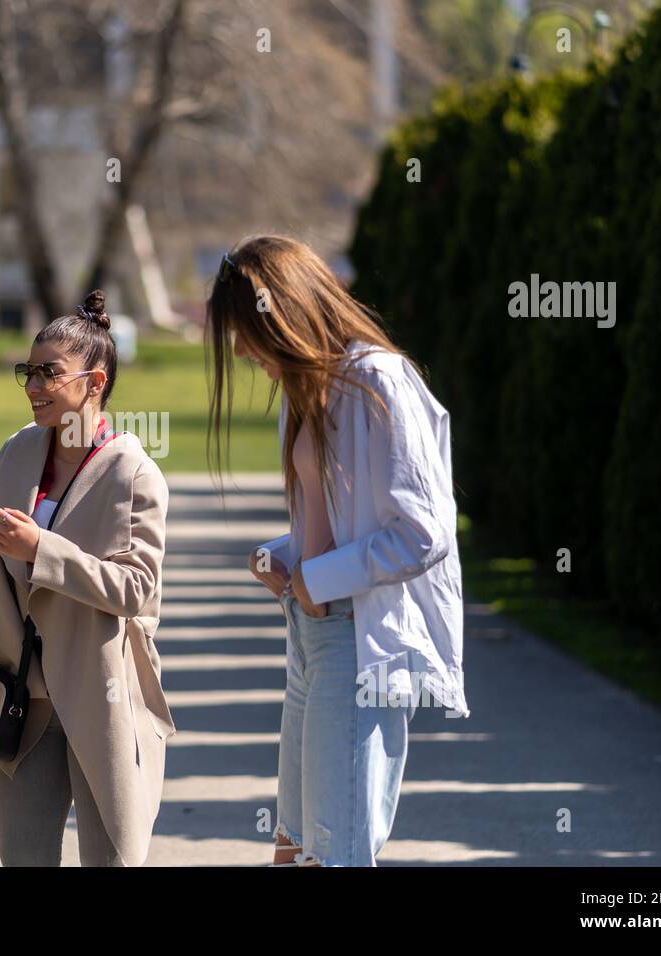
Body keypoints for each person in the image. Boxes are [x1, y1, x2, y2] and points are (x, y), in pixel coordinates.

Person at [204, 235, 470, 867]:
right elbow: (341, 527)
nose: (241, 352)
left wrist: (314, 579)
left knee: (336, 852)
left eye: (245, 333)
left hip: (357, 643)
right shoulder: (307, 392)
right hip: (313, 635)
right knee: (293, 847)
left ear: (284, 313)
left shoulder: (377, 381)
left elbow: (424, 531)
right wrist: (281, 556)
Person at [0, 290, 174, 867]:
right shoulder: (16, 453)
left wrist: (42, 550)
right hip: (20, 698)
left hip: (102, 694)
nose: (33, 386)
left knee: (111, 859)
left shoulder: (134, 472)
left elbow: (135, 589)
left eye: (49, 373)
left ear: (93, 381)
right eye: (28, 372)